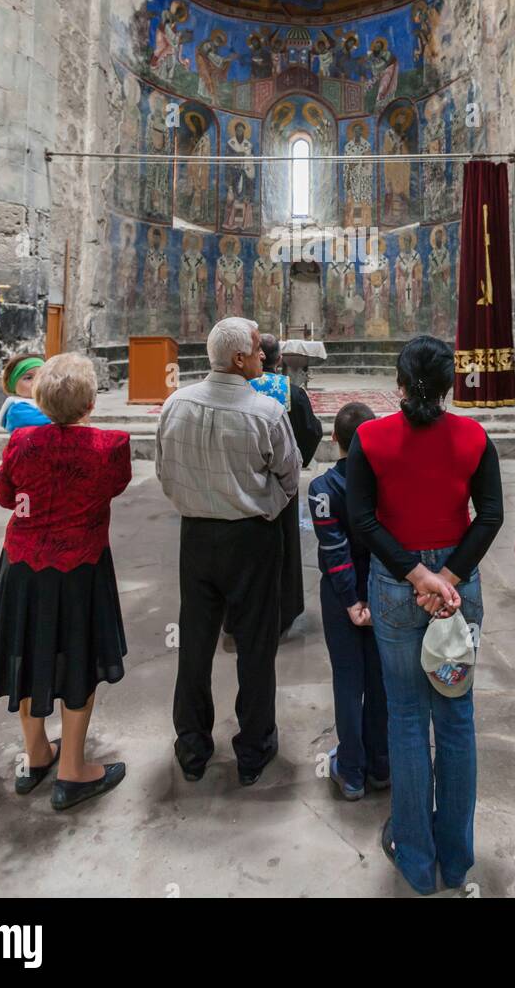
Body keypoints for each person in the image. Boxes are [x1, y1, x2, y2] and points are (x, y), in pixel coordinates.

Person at [347, 335, 503, 896]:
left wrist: (418, 576)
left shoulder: (370, 438)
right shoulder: (474, 437)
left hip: (398, 586)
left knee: (408, 718)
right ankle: (456, 858)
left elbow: (362, 519)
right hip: (458, 589)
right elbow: (490, 515)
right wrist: (448, 578)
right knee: (456, 718)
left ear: (398, 382)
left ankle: (416, 858)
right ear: (448, 386)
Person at [0, 353, 131, 811]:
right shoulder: (111, 444)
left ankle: (36, 755)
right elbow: (115, 486)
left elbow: (5, 495)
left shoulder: (22, 441)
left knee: (26, 653)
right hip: (80, 567)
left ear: (41, 401)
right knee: (78, 657)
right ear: (90, 403)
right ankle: (72, 770)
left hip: (23, 567)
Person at [156, 317, 301, 786]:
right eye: (257, 349)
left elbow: (164, 472)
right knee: (255, 646)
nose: (263, 356)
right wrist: (263, 505)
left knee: (195, 644)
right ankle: (254, 748)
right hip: (252, 539)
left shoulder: (175, 404)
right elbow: (290, 477)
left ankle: (192, 745)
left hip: (196, 537)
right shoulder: (266, 412)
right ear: (239, 359)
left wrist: (197, 503)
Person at [309, 401, 389, 801]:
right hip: (383, 590)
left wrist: (351, 600)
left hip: (342, 597)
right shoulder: (385, 483)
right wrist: (372, 596)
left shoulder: (322, 489)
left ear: (334, 438)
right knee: (379, 678)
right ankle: (381, 765)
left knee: (347, 678)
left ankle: (352, 771)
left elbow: (334, 548)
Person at [251, 333, 323, 635]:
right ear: (279, 359)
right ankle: (284, 610)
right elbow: (312, 430)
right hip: (283, 483)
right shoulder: (292, 392)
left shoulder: (240, 390)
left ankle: (248, 612)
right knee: (285, 542)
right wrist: (298, 461)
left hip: (245, 483)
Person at [0, 353, 51, 431]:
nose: (36, 381)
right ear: (12, 384)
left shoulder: (46, 402)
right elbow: (45, 423)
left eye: (41, 377)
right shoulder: (18, 408)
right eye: (28, 378)